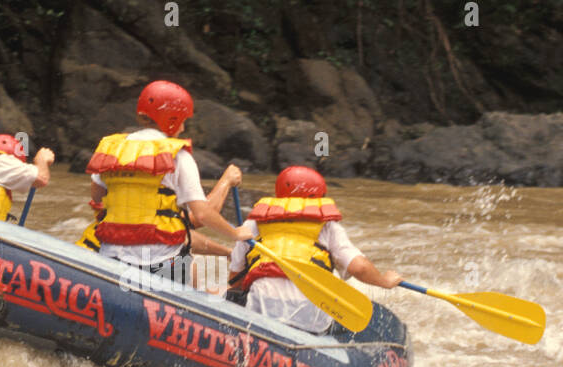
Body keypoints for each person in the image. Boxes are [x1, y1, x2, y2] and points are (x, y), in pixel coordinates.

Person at [76, 80, 251, 285]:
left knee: (182, 235)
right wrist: (235, 233)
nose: (183, 127)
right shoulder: (178, 157)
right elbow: (203, 214)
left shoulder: (112, 149)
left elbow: (97, 198)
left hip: (110, 258)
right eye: (182, 120)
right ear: (172, 120)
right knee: (196, 273)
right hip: (161, 263)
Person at [229, 165, 405, 333]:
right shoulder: (328, 226)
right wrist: (384, 281)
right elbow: (360, 267)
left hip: (263, 304)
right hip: (310, 309)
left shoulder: (252, 223)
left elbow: (235, 281)